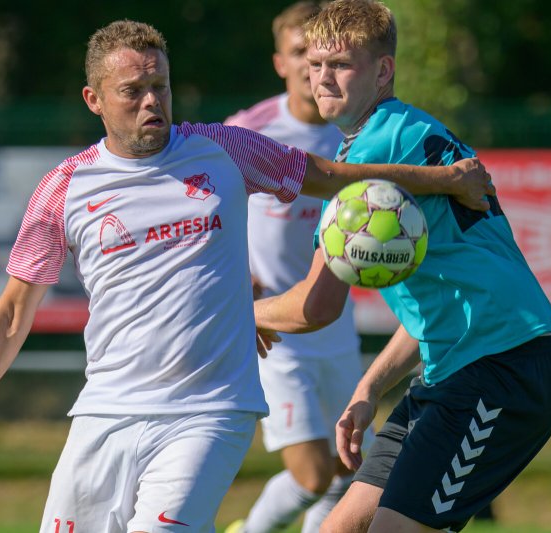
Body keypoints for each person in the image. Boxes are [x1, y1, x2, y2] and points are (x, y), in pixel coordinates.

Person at [0, 19, 494, 533]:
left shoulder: (223, 150)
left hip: (208, 411)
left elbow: (333, 174)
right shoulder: (64, 188)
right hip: (102, 414)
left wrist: (443, 180)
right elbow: (8, 316)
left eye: (160, 86)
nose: (152, 102)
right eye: (132, 91)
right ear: (93, 99)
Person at [252, 1, 551, 531]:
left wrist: (245, 313)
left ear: (383, 70)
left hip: (503, 369)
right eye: (314, 64)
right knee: (340, 526)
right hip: (456, 367)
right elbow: (441, 300)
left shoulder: (378, 149)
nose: (322, 79)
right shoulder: (404, 132)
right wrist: (370, 387)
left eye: (341, 65)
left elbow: (316, 305)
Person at [224, 3, 370, 532]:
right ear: (279, 63)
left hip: (336, 324)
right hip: (277, 328)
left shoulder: (359, 131)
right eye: (299, 55)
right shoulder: (248, 132)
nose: (314, 69)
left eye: (323, 58)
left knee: (347, 468)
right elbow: (200, 208)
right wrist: (233, 275)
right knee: (310, 474)